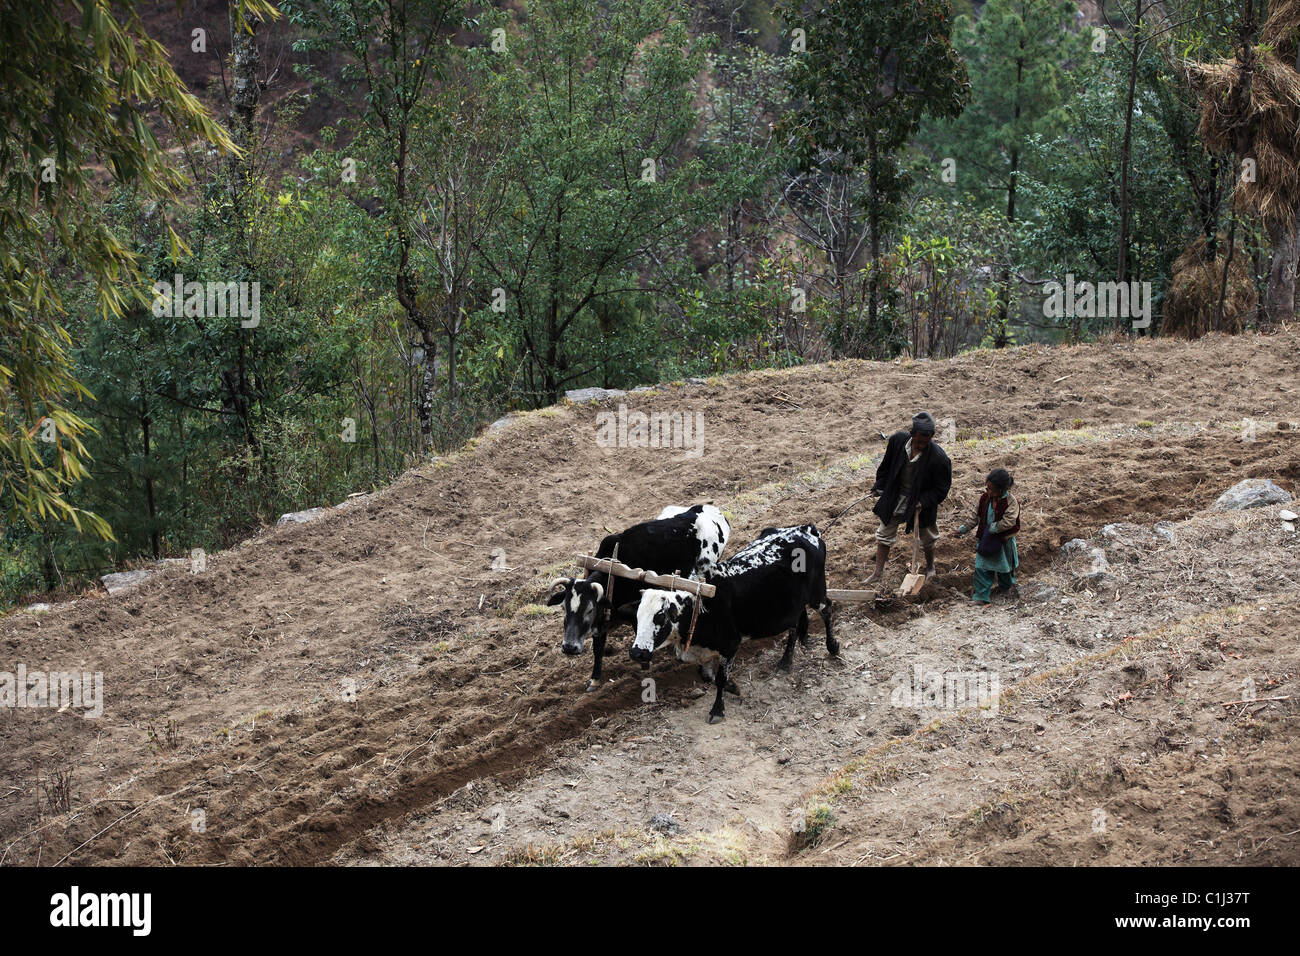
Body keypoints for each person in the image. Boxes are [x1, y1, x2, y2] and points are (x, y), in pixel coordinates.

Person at [865, 412, 952, 584]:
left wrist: (924, 501)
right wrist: (879, 486)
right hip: (896, 494)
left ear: (932, 438)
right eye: (918, 442)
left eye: (925, 443)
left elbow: (942, 489)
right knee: (884, 533)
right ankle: (877, 573)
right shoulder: (897, 441)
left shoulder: (939, 459)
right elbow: (886, 467)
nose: (920, 446)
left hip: (920, 499)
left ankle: (930, 567)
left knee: (928, 537)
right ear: (912, 434)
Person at [952, 468, 1021, 607]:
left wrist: (992, 528)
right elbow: (975, 517)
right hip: (985, 540)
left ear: (1002, 489)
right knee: (981, 567)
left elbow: (1009, 521)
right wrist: (962, 530)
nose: (989, 492)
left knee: (1005, 568)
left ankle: (1006, 588)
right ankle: (981, 596)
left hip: (1003, 540)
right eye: (987, 488)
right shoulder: (984, 499)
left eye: (992, 489)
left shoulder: (1011, 502)